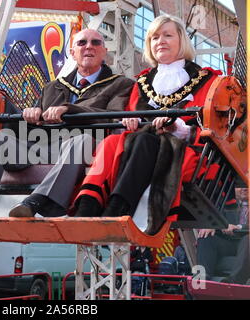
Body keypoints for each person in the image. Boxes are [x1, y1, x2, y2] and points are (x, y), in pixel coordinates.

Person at [0, 29, 134, 217]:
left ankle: (37, 202)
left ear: (105, 52)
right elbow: (28, 130)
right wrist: (30, 114)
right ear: (72, 52)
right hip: (42, 146)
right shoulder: (53, 87)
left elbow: (113, 118)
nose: (89, 47)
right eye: (82, 42)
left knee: (82, 139)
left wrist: (70, 109)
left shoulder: (120, 84)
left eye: (96, 43)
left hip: (84, 151)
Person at [73, 14, 222, 235]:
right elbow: (133, 116)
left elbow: (213, 129)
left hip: (184, 152)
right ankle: (87, 205)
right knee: (113, 142)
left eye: (167, 35)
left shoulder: (207, 80)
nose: (160, 41)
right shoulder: (142, 82)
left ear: (182, 40)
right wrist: (129, 121)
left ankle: (118, 208)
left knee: (144, 139)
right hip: (142, 146)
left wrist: (177, 127)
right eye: (154, 37)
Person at [196, 188, 249, 284]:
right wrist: (213, 226)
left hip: (246, 245)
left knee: (248, 239)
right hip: (230, 243)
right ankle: (201, 280)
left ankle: (234, 283)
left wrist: (238, 227)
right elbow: (214, 221)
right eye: (240, 185)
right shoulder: (223, 203)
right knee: (206, 236)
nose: (244, 188)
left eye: (246, 184)